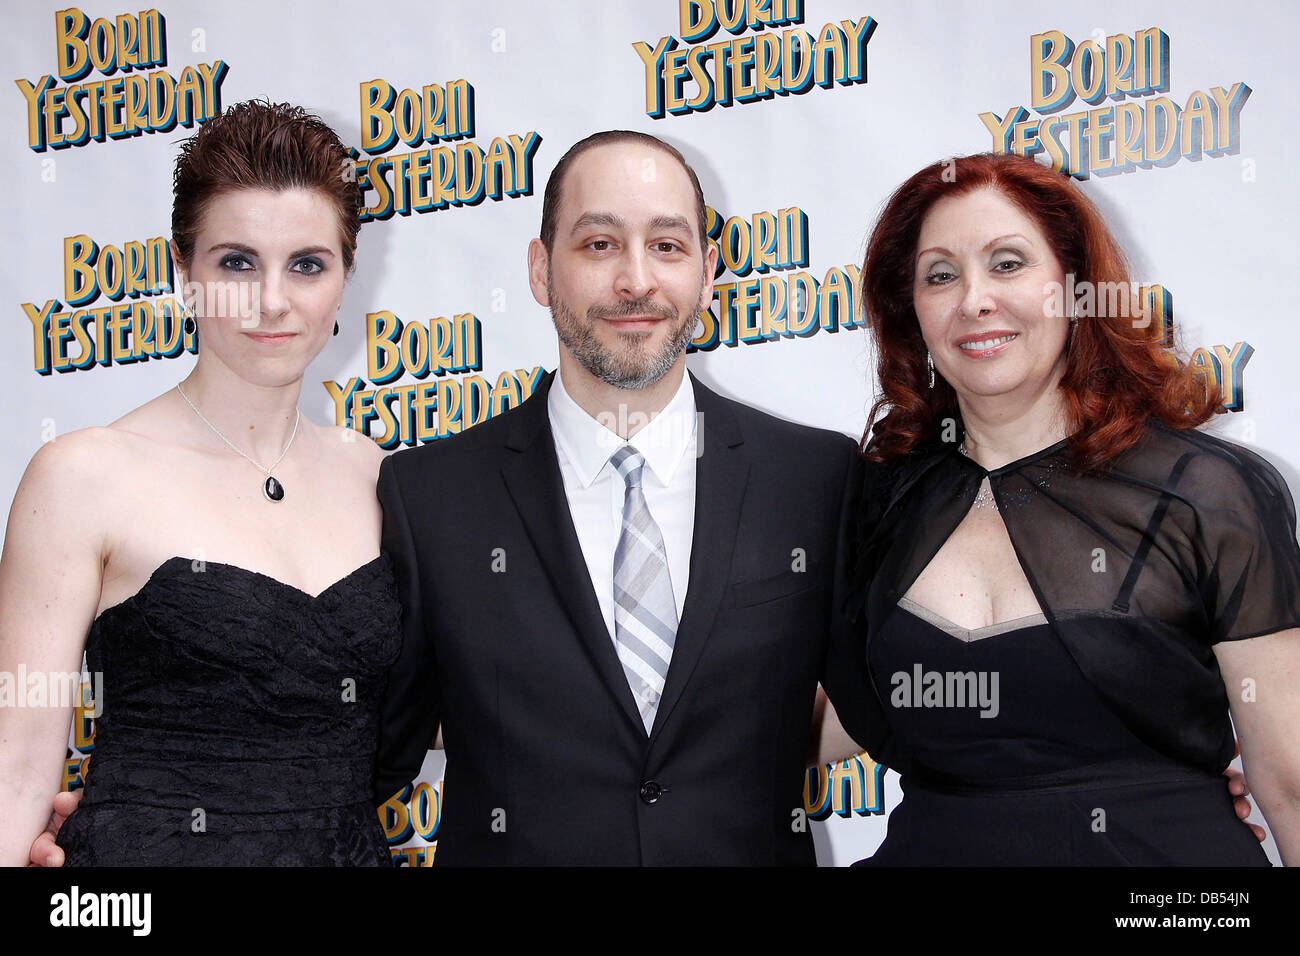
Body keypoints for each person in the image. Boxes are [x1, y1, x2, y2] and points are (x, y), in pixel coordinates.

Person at [373, 129, 884, 865]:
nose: (637, 281)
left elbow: (887, 711)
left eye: (668, 246)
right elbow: (374, 743)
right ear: (541, 270)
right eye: (600, 244)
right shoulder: (428, 497)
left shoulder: (815, 479)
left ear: (709, 272)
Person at [849, 151, 1300, 865]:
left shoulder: (1207, 492)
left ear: (1076, 286)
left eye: (1007, 264)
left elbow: (1291, 784)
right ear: (912, 311)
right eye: (941, 275)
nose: (974, 300)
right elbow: (801, 727)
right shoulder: (874, 499)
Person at [0, 100, 399, 865]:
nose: (272, 300)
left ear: (346, 278)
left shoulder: (376, 474)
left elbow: (439, 708)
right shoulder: (83, 475)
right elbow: (18, 764)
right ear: (184, 268)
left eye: (307, 264)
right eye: (236, 262)